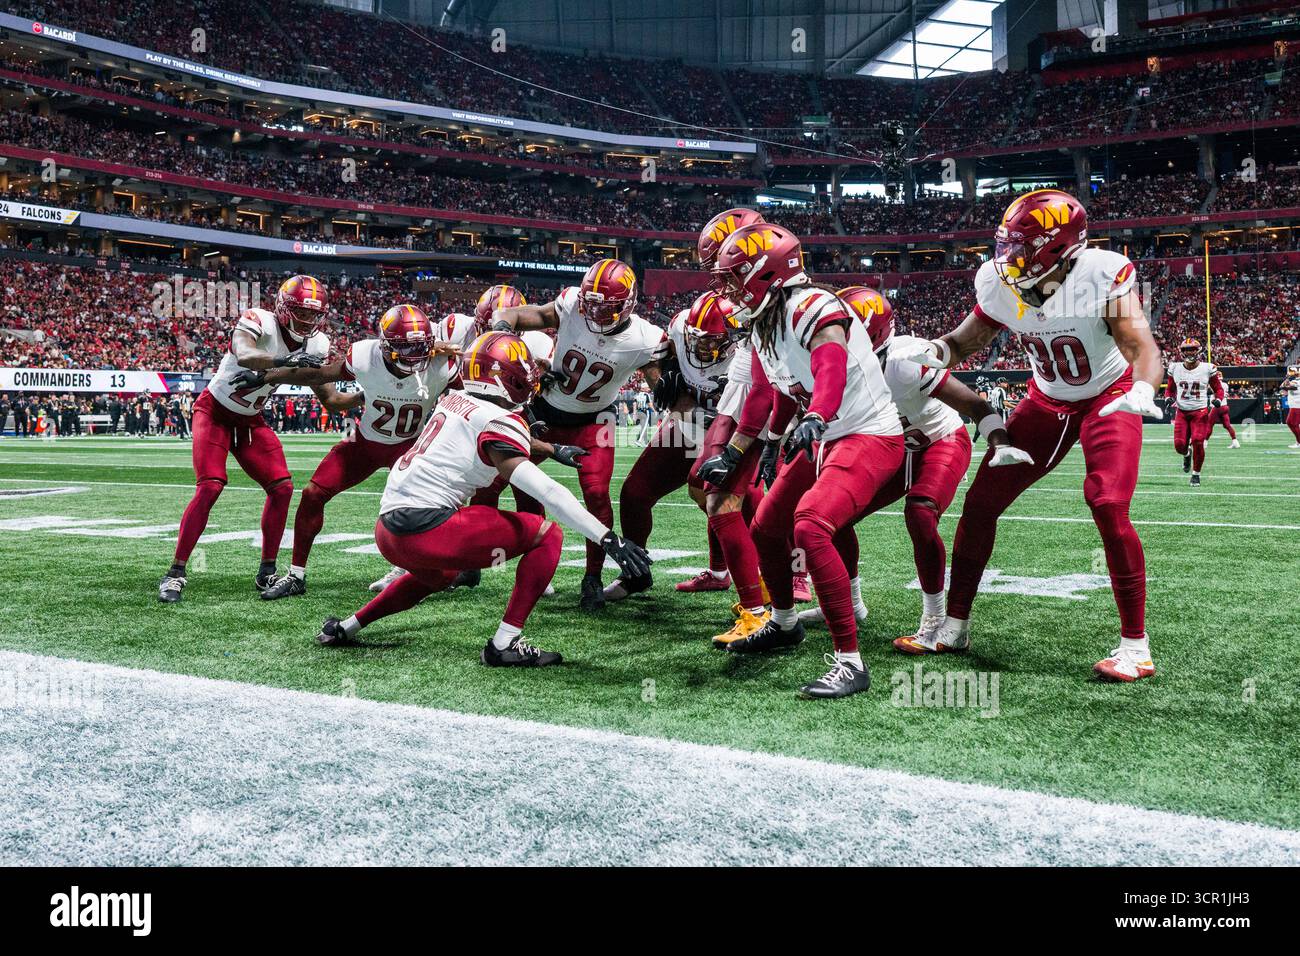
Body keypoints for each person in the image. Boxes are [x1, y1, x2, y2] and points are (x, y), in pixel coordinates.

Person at [887, 189, 1164, 682]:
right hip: (1046, 398)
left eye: (1022, 247)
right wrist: (932, 350)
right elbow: (964, 342)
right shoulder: (997, 281)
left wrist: (1143, 386)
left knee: (1105, 501)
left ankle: (1135, 646)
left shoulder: (1099, 272)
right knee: (980, 502)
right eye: (1008, 245)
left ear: (1059, 248)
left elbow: (1137, 342)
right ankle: (954, 625)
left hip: (1110, 392)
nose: (1008, 258)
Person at [315, 331, 652, 665]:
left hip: (389, 532)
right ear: (506, 377)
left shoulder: (454, 399)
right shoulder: (499, 420)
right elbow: (546, 490)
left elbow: (484, 430)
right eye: (523, 371)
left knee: (439, 576)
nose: (531, 377)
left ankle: (347, 627)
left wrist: (551, 448)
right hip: (426, 529)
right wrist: (608, 538)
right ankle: (505, 643)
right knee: (547, 534)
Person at [697, 222, 905, 699]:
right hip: (824, 434)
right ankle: (785, 623)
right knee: (767, 526)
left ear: (767, 274)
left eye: (733, 278)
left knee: (810, 525)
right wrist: (764, 444)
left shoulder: (814, 305)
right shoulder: (765, 323)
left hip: (867, 433)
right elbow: (785, 391)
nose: (726, 289)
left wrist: (817, 413)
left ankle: (850, 663)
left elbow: (828, 364)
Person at [488, 259, 668, 611]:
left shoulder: (647, 339)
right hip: (544, 412)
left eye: (607, 306)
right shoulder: (571, 302)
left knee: (597, 495)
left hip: (593, 422)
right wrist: (501, 331)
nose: (596, 312)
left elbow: (660, 380)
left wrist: (667, 389)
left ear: (629, 303)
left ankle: (592, 577)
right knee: (496, 480)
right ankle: (489, 561)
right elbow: (523, 317)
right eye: (592, 303)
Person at [158, 275, 330, 603]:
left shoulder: (318, 344)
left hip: (250, 420)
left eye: (313, 314)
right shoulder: (259, 319)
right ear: (282, 310)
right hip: (214, 412)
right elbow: (245, 353)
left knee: (282, 488)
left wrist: (369, 390)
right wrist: (285, 360)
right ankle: (176, 572)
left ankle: (267, 571)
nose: (308, 321)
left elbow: (330, 395)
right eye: (301, 313)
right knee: (210, 485)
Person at [604, 291, 763, 630]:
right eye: (697, 338)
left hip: (733, 430)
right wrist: (666, 379)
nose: (702, 347)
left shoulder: (751, 350)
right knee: (634, 493)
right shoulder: (678, 329)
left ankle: (789, 575)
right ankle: (637, 573)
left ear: (736, 335)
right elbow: (659, 360)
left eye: (712, 341)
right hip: (688, 426)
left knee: (744, 502)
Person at [1163, 337, 1223, 485]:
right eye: (1186, 350)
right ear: (1181, 352)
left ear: (1198, 351)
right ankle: (1186, 454)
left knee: (1197, 441)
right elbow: (1169, 390)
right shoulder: (1175, 368)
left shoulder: (1208, 368)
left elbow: (1219, 389)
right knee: (1179, 446)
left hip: (1200, 412)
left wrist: (1218, 399)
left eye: (1192, 349)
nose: (1189, 352)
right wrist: (1168, 398)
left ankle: (1196, 474)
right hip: (1182, 412)